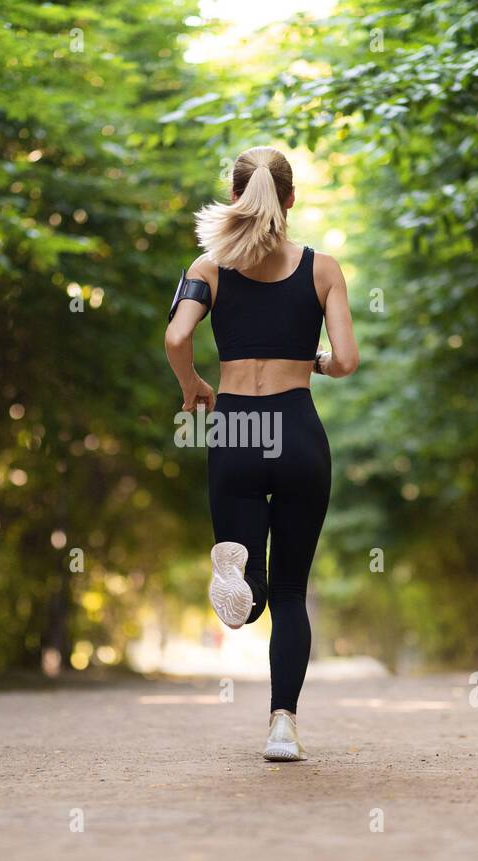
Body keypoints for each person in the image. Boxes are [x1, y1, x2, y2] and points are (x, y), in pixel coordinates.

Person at [165, 146, 359, 761]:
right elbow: (347, 361)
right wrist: (318, 362)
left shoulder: (211, 266)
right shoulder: (322, 269)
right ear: (291, 198)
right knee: (293, 591)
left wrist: (193, 386)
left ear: (234, 195)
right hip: (299, 430)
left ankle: (241, 582)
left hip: (238, 431)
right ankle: (283, 727)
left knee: (252, 591)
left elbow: (176, 337)